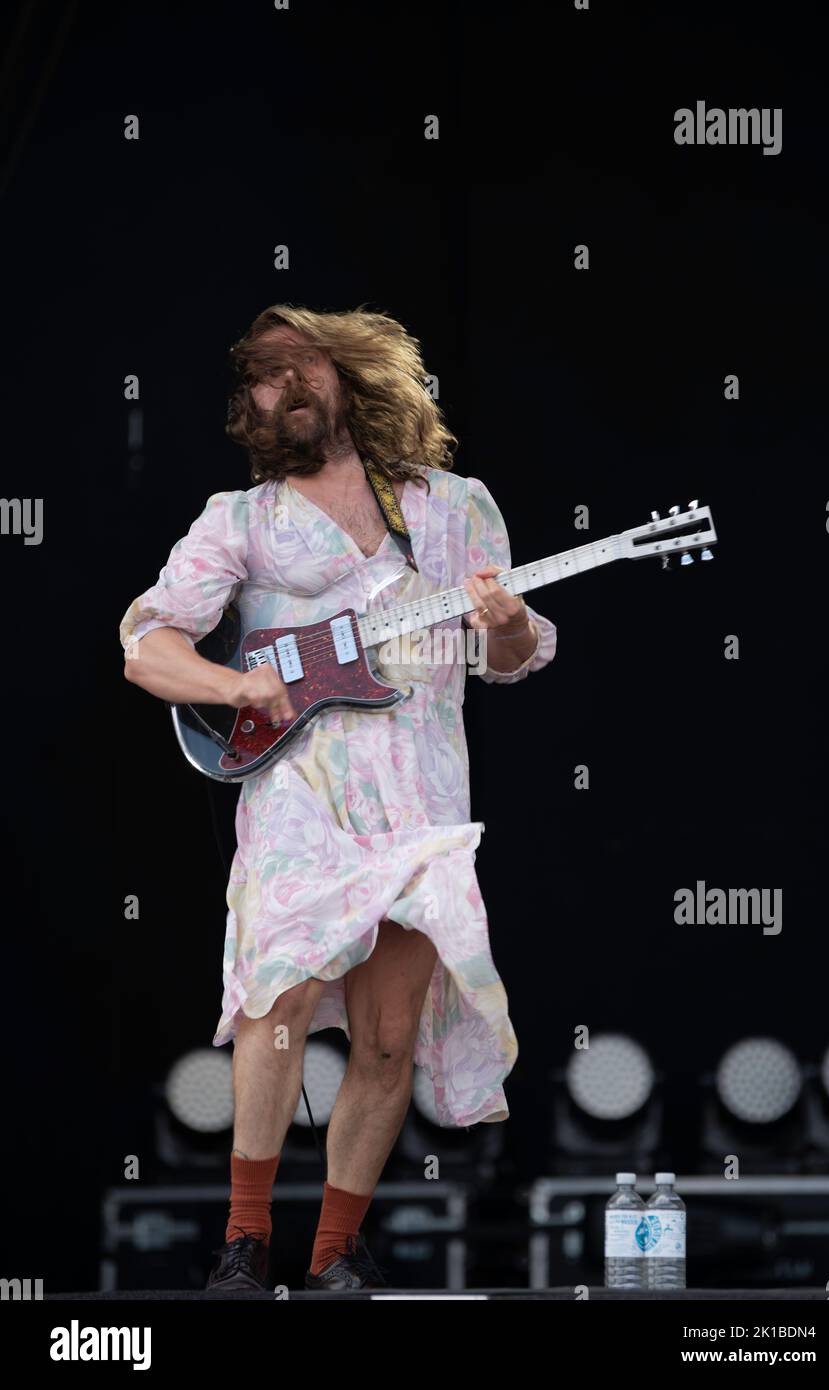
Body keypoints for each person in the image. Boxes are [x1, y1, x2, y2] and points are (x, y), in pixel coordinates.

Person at [119, 304, 557, 1292]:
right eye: (257, 379)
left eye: (291, 369)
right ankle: (243, 1239)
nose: (274, 390)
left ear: (347, 377)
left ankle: (333, 1251)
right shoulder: (243, 520)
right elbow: (147, 646)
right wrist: (235, 686)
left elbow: (512, 658)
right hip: (301, 801)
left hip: (420, 803)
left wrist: (508, 623)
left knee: (389, 1036)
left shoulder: (452, 508)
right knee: (277, 997)